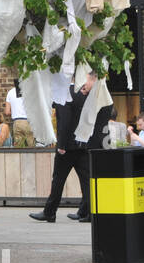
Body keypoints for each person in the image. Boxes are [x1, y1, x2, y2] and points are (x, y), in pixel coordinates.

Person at [29, 70, 111, 224]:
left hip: (67, 147)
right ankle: (89, 212)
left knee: (58, 180)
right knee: (87, 180)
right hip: (83, 144)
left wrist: (61, 144)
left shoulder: (65, 94)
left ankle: (49, 212)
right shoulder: (86, 95)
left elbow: (65, 122)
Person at [7, 81, 34, 147]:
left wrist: (15, 111)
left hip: (17, 122)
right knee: (31, 147)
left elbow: (7, 112)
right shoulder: (30, 91)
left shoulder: (10, 92)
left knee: (18, 147)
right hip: (28, 122)